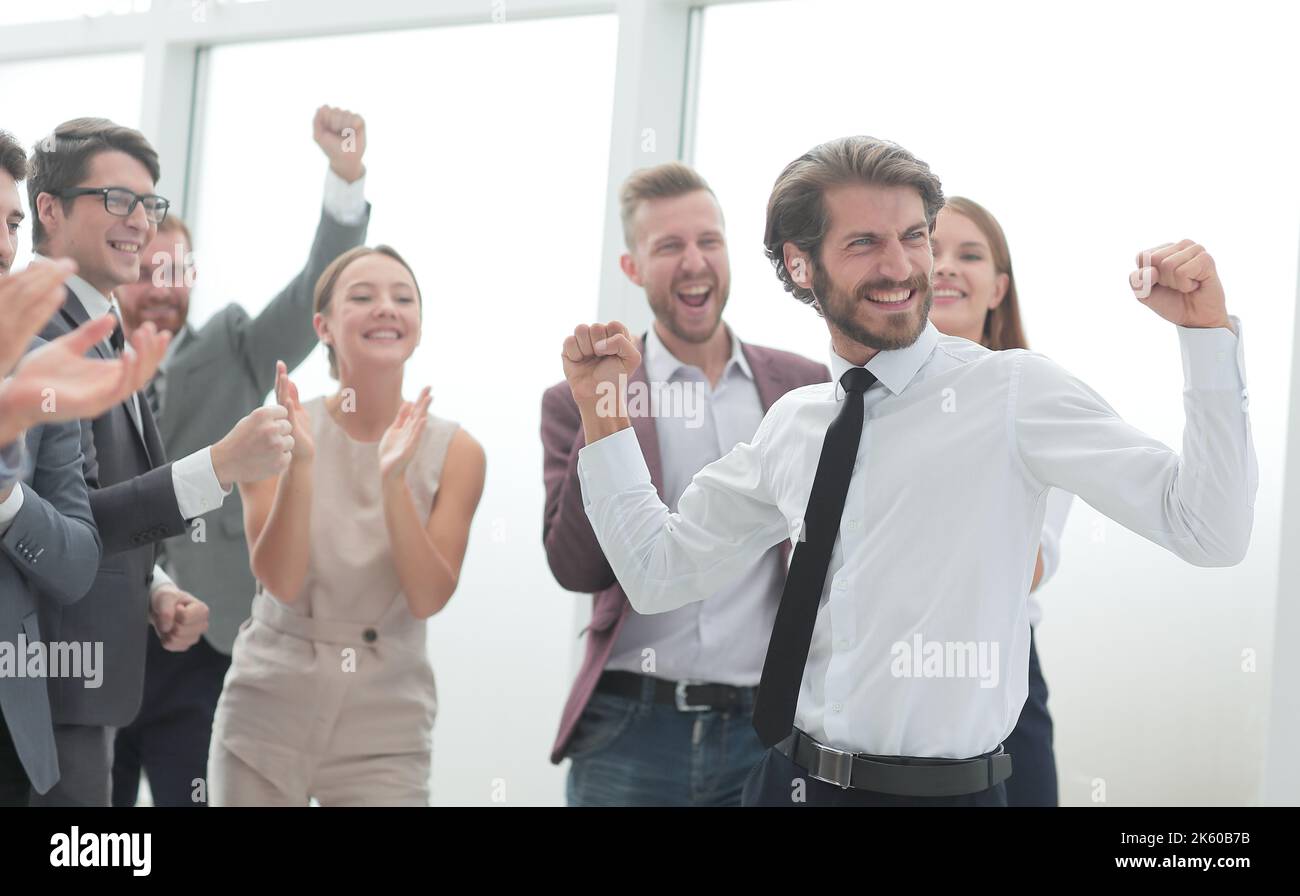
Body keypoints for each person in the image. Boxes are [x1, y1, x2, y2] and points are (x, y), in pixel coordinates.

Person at [561, 135, 1256, 807]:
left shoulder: (1014, 394)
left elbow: (1209, 532)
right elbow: (656, 573)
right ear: (801, 265)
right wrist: (603, 414)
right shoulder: (795, 426)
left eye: (913, 236)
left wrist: (1204, 335)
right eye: (864, 242)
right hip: (787, 782)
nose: (901, 266)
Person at [542, 162, 827, 806]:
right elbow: (575, 567)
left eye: (709, 241)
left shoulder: (803, 387)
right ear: (633, 268)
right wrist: (602, 414)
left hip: (769, 730)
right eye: (668, 246)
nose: (694, 262)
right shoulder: (580, 399)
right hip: (628, 730)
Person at [28, 118, 294, 806]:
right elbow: (67, 518)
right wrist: (221, 464)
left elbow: (74, 505)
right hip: (45, 689)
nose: (139, 220)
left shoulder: (106, 336)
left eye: (149, 203)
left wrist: (150, 593)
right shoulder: (40, 336)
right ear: (48, 209)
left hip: (89, 688)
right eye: (116, 199)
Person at [110, 105, 371, 808]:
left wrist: (344, 178)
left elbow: (319, 278)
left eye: (178, 270)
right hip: (100, 637)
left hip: (203, 644)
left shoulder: (233, 348)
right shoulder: (73, 370)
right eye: (146, 270)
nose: (165, 286)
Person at [210, 245, 485, 806]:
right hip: (267, 708)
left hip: (386, 728)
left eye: (402, 298)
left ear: (419, 325)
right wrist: (303, 466)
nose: (386, 308)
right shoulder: (277, 429)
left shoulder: (458, 451)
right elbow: (280, 581)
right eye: (362, 297)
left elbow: (429, 594)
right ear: (324, 327)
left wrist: (393, 483)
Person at [0, 129, 168, 805]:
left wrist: (6, 495)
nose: (3, 245)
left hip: (17, 742)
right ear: (56, 209)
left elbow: (76, 560)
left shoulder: (36, 370)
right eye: (119, 198)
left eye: (7, 223)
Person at [928, 196, 1073, 806]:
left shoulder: (1034, 396)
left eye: (969, 254)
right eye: (930, 251)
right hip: (877, 671)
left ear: (998, 288)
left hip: (998, 665)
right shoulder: (852, 401)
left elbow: (1034, 560)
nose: (946, 268)